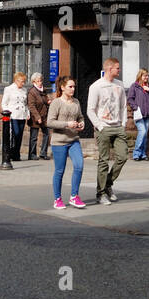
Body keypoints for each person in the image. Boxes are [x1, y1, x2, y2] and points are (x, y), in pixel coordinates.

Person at [87, 57, 128, 204]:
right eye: (117, 68)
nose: (119, 70)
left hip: (118, 126)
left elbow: (123, 106)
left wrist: (123, 123)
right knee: (103, 160)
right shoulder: (96, 86)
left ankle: (107, 184)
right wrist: (100, 126)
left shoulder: (119, 85)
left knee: (123, 157)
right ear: (110, 69)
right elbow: (90, 110)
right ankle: (101, 193)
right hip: (104, 127)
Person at [47, 76, 87, 210]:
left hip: (73, 140)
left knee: (79, 165)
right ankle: (57, 199)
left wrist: (81, 124)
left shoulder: (76, 102)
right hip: (59, 141)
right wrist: (67, 124)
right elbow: (50, 122)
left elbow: (80, 116)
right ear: (62, 87)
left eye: (74, 86)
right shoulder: (56, 103)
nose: (73, 89)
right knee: (60, 170)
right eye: (70, 86)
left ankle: (74, 196)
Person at [0, 71, 29, 162]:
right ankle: (10, 152)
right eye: (21, 81)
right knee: (15, 133)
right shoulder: (9, 89)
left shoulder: (24, 90)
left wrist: (27, 113)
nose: (23, 83)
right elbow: (4, 103)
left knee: (20, 135)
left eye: (24, 81)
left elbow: (25, 103)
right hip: (13, 114)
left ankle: (16, 154)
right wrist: (7, 113)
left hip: (22, 114)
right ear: (16, 80)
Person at [127, 68, 149, 161]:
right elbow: (130, 98)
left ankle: (143, 154)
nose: (147, 77)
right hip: (139, 114)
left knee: (145, 134)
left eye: (147, 76)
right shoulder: (134, 86)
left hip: (148, 114)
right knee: (142, 132)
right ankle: (136, 153)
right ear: (140, 76)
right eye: (145, 75)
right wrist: (135, 107)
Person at [26, 74, 50, 160]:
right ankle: (32, 154)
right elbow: (31, 106)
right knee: (34, 137)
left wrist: (48, 101)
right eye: (38, 81)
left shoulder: (43, 90)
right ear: (34, 82)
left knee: (46, 134)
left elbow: (45, 100)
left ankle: (43, 153)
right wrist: (37, 117)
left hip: (44, 116)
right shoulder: (32, 92)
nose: (40, 82)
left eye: (41, 80)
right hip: (35, 117)